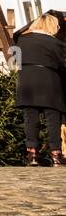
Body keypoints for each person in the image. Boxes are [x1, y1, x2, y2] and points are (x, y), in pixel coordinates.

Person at [14, 13, 66, 166]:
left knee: (30, 118)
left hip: (26, 80)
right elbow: (62, 64)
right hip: (49, 79)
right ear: (51, 26)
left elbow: (16, 59)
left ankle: (32, 155)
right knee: (52, 118)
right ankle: (56, 154)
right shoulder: (55, 43)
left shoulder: (22, 40)